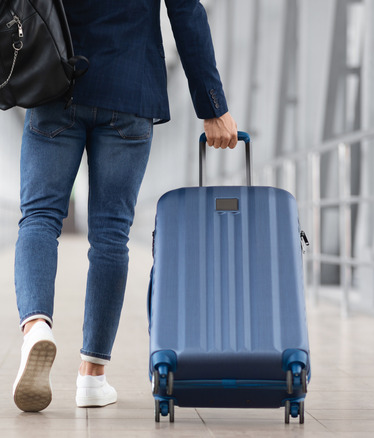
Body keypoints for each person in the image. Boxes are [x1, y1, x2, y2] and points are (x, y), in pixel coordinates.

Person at [12, 0, 238, 412]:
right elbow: (186, 12)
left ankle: (36, 327)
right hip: (130, 89)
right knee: (110, 236)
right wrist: (213, 107)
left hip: (56, 83)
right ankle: (92, 377)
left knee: (40, 217)